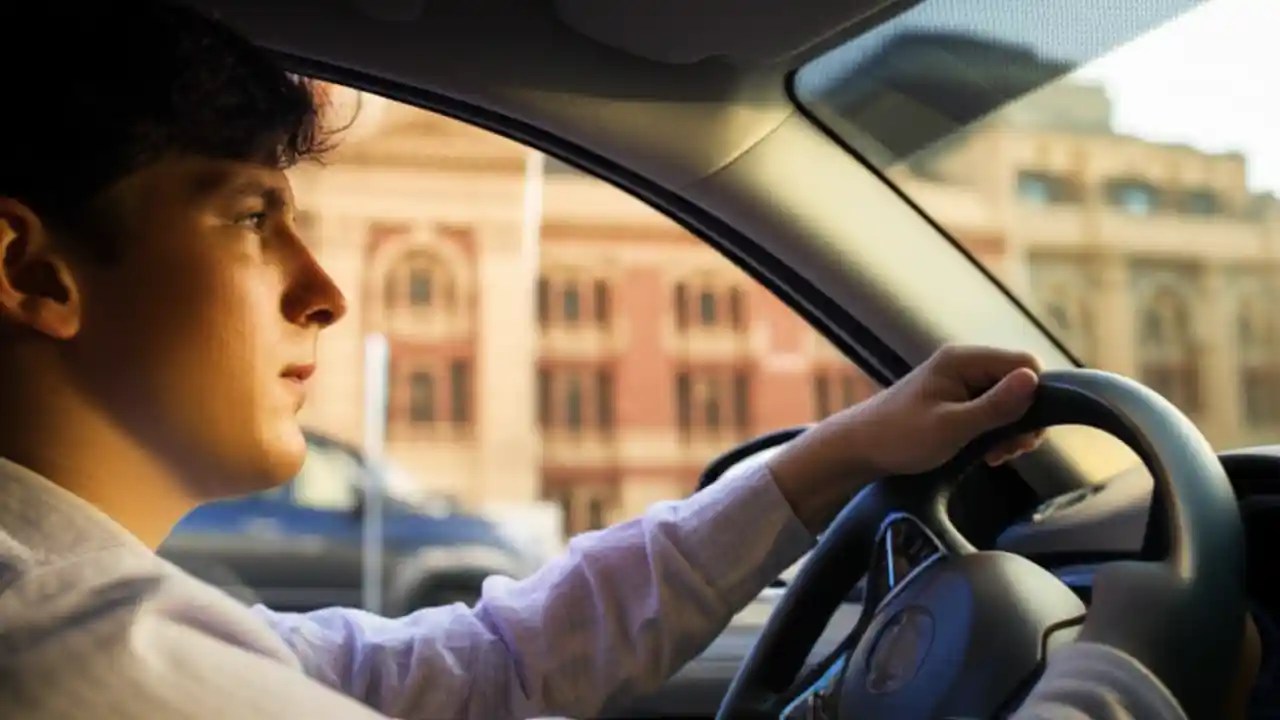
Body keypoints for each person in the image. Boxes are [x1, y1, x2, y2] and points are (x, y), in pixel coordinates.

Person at [0, 2, 1255, 718]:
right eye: (248, 219)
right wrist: (1125, 676)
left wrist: (833, 457)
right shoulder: (94, 662)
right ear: (29, 272)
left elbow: (475, 666)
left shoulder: (116, 621)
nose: (325, 294)